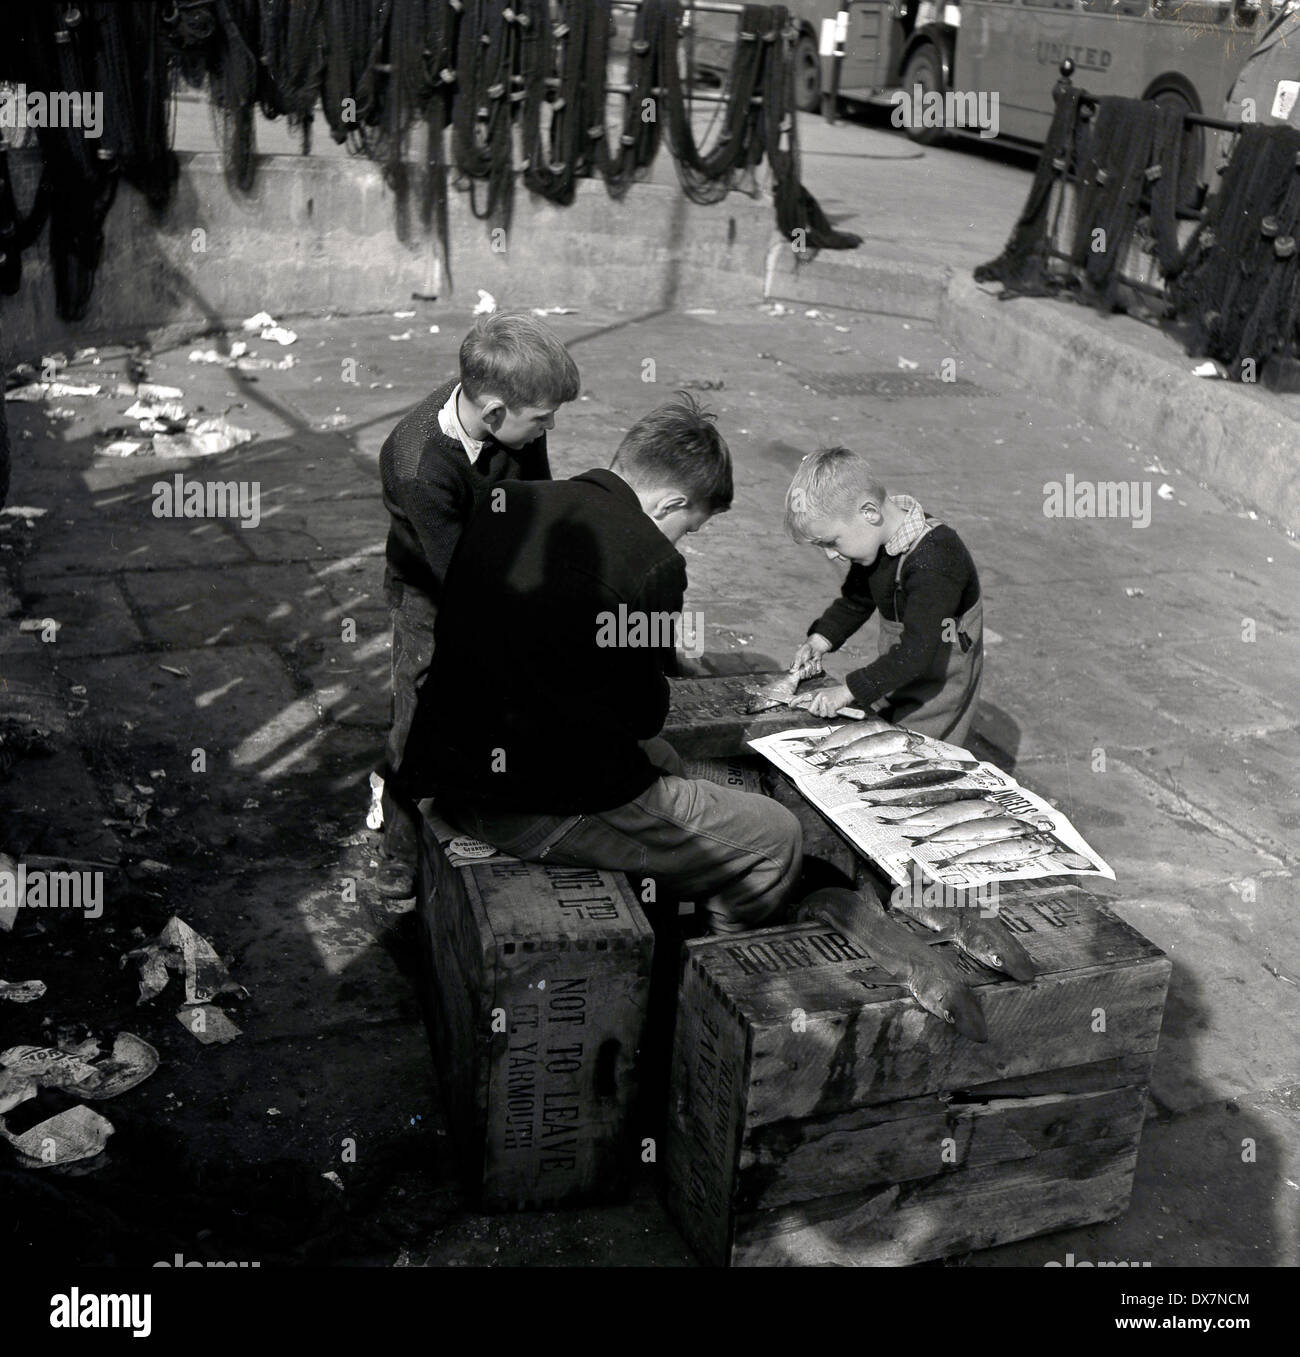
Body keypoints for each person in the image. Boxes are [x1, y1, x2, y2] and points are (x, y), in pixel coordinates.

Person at [401, 395, 802, 934]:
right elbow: (642, 714)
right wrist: (658, 658)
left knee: (663, 761)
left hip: (451, 775)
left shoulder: (505, 501)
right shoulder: (653, 562)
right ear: (670, 503)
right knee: (777, 836)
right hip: (532, 806)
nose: (683, 541)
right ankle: (702, 967)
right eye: (691, 526)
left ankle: (662, 893)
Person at [374, 313, 580, 896]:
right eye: (542, 420)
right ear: (492, 414)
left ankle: (484, 804)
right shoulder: (418, 463)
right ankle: (400, 846)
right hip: (432, 595)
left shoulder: (516, 420)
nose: (549, 430)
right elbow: (460, 577)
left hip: (495, 568)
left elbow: (537, 503)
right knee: (417, 719)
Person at [784, 446, 984, 746]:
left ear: (869, 512)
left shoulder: (936, 559)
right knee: (878, 736)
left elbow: (917, 652)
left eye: (831, 542)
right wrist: (820, 640)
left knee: (915, 751)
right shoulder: (874, 544)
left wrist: (847, 691)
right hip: (902, 670)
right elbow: (856, 600)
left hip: (938, 687)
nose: (830, 555)